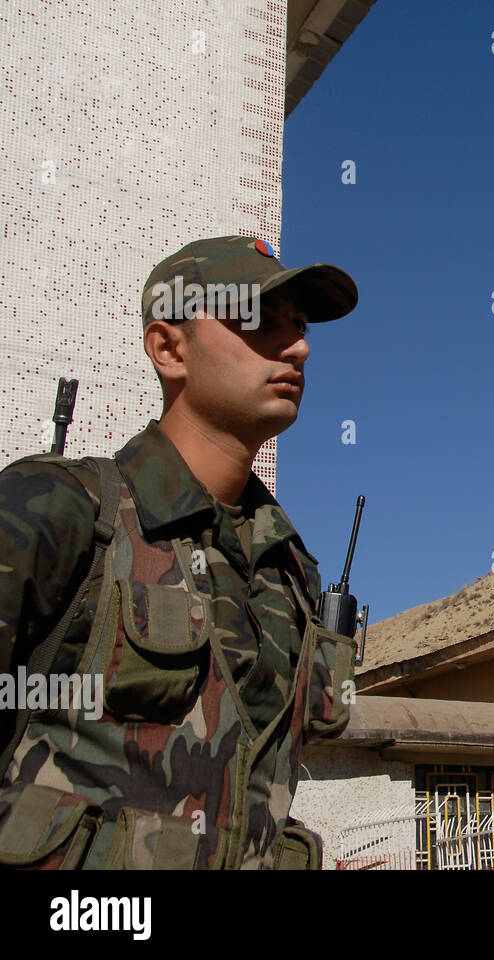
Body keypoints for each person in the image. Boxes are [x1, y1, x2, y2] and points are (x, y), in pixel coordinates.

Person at [0, 235, 359, 869]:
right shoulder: (64, 510)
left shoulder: (290, 571)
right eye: (257, 320)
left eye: (299, 326)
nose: (298, 346)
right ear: (170, 349)